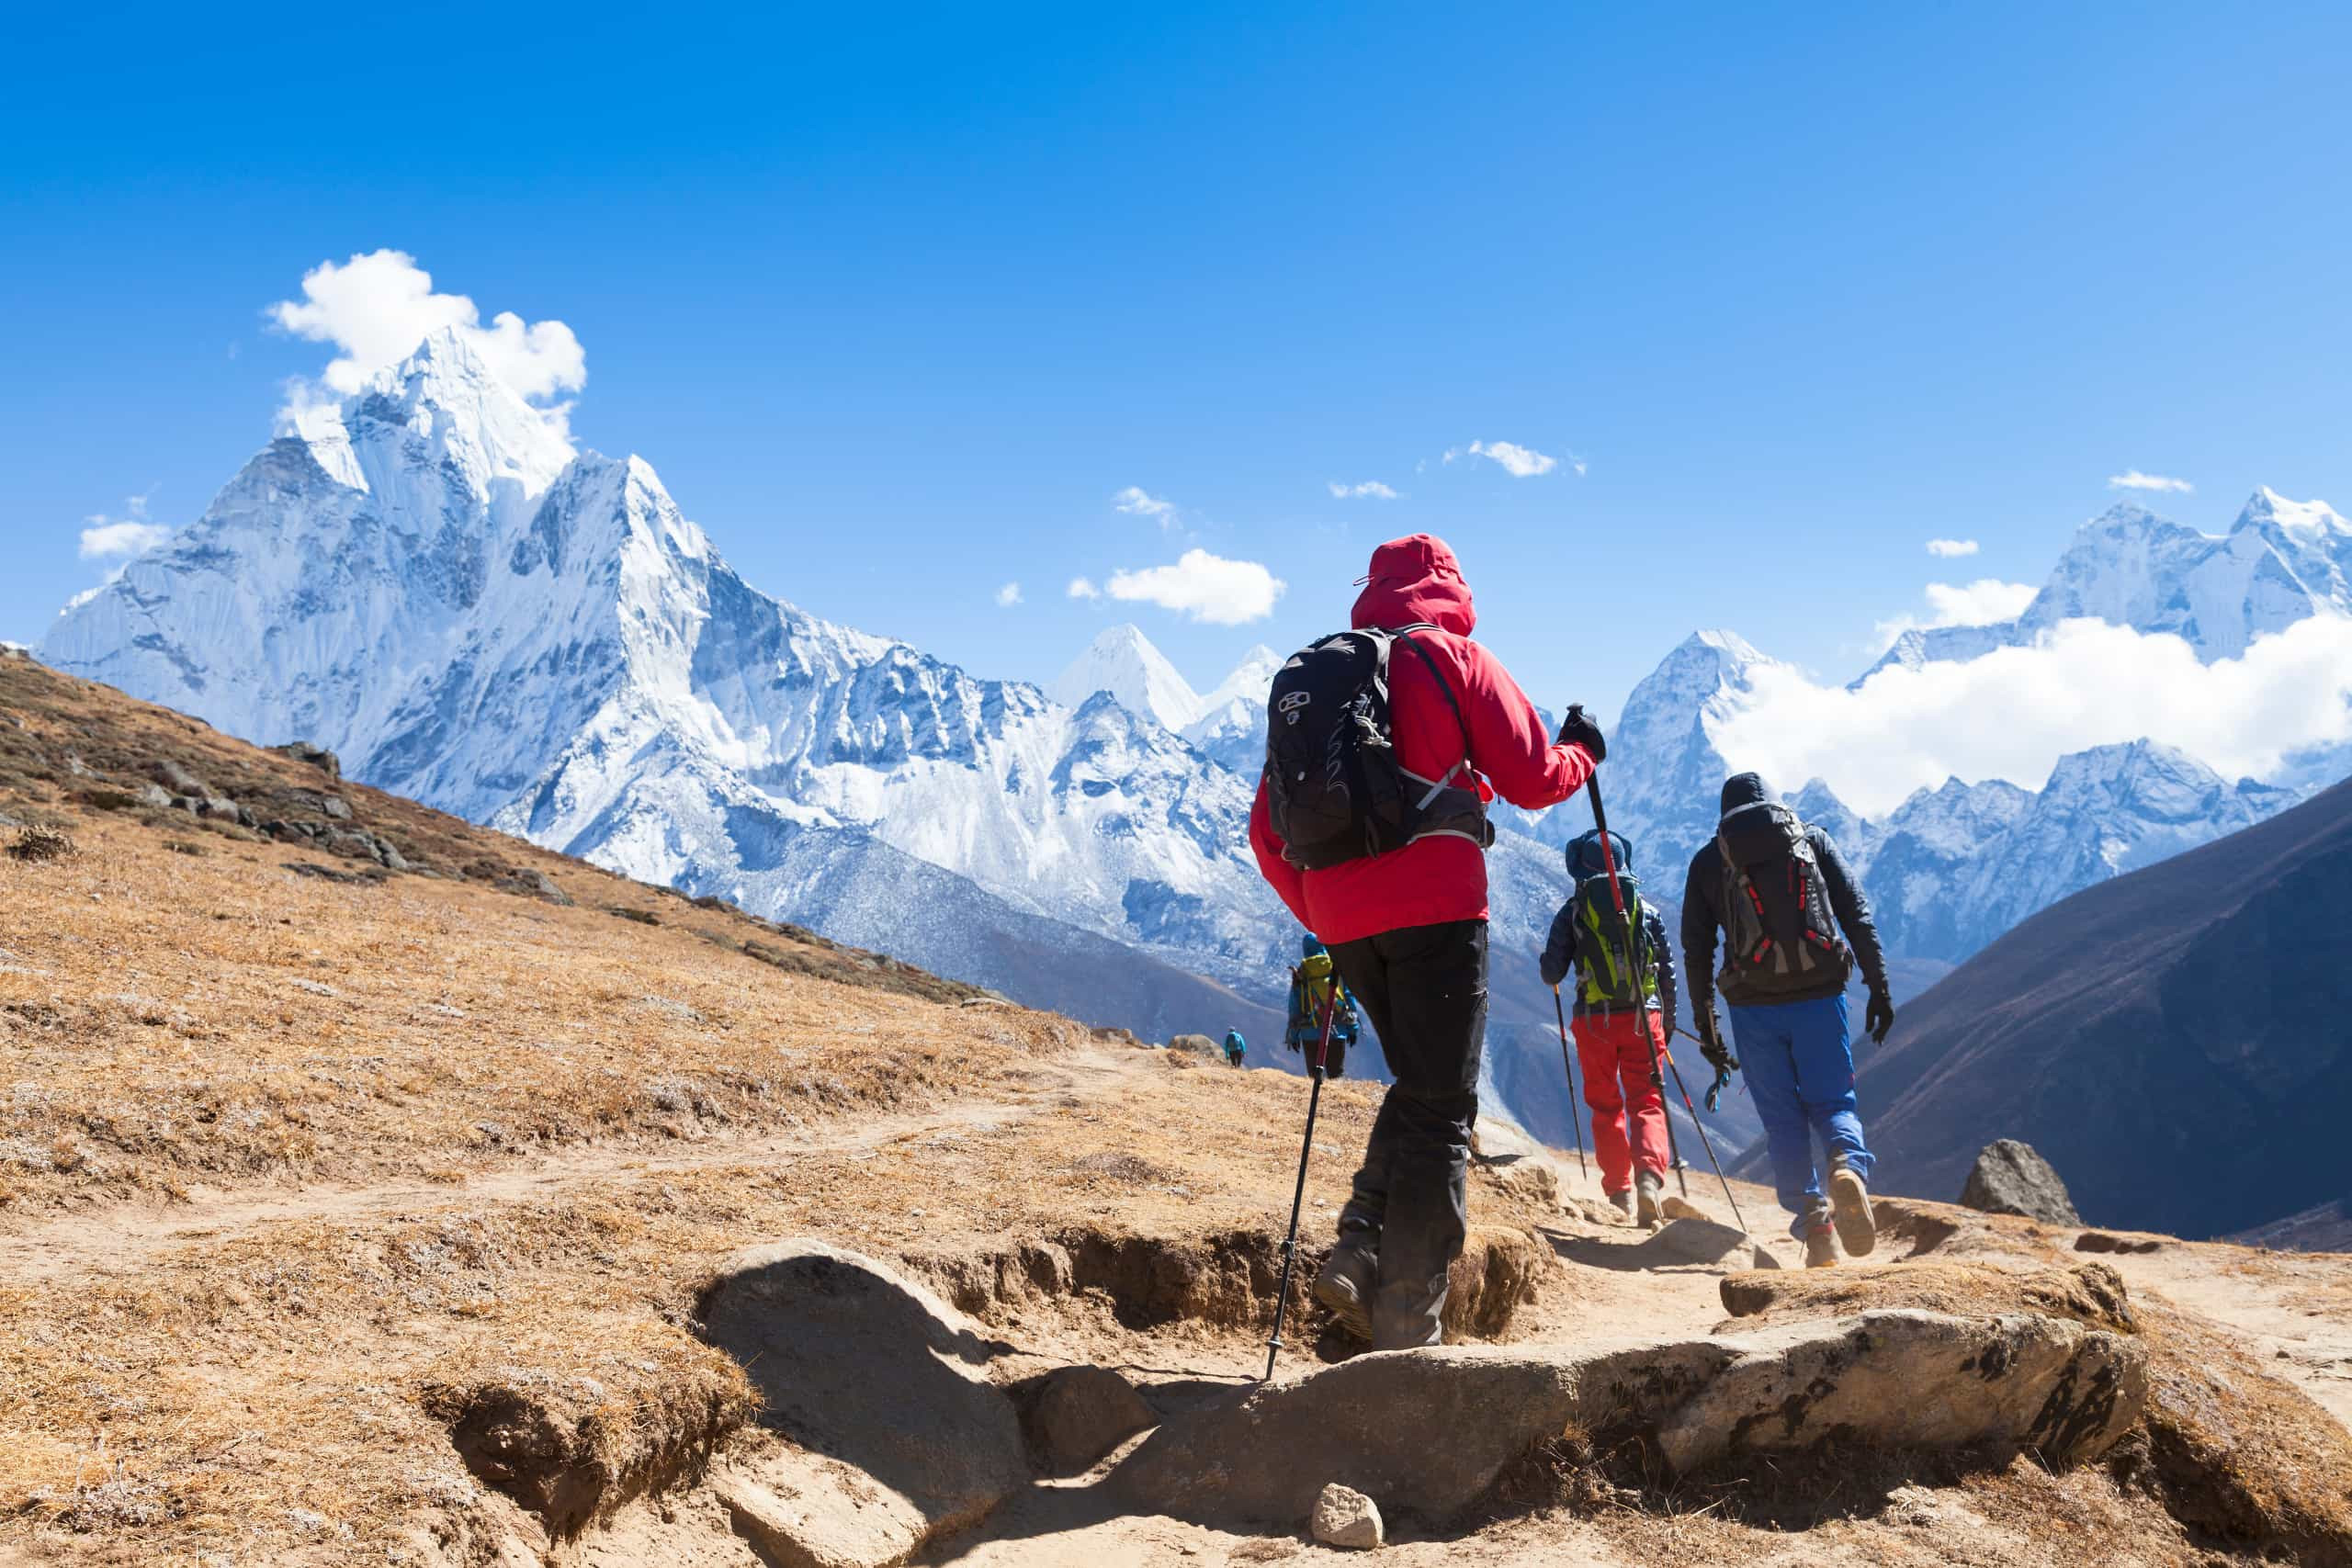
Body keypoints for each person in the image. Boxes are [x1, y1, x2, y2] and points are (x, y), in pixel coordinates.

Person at [1250, 534, 1600, 1348]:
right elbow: (1533, 778)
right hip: (1438, 911)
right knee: (1443, 1110)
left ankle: (1359, 1248)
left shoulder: (1326, 674)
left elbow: (1267, 831)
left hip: (1343, 922)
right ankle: (1411, 1317)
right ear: (1452, 588)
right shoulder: (1455, 658)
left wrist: (1326, 907)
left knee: (1418, 1084)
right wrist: (1583, 748)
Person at [1681, 772, 1894, 1269]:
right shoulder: (1811, 840)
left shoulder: (1710, 859)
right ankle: (1847, 1167)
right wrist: (1879, 989)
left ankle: (1817, 1228)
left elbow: (1697, 950)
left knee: (1782, 1120)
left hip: (1752, 1008)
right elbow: (1856, 914)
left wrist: (1708, 1029)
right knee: (1833, 1101)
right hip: (1820, 997)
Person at [1539, 829, 1679, 1227]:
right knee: (1647, 1100)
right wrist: (1665, 1024)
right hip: (1643, 1018)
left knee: (1606, 1106)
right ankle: (1650, 1179)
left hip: (1594, 1021)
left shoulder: (1573, 911)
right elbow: (1666, 974)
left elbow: (1552, 970)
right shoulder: (1647, 911)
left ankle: (1619, 1193)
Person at [1284, 935, 1360, 1077]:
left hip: (1310, 1034)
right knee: (1336, 1075)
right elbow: (1349, 999)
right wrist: (1353, 1028)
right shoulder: (1336, 967)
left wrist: (1293, 1036)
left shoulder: (1301, 975)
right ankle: (1335, 1098)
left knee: (1314, 1077)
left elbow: (1294, 1009)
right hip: (1337, 1030)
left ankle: (1317, 1098)